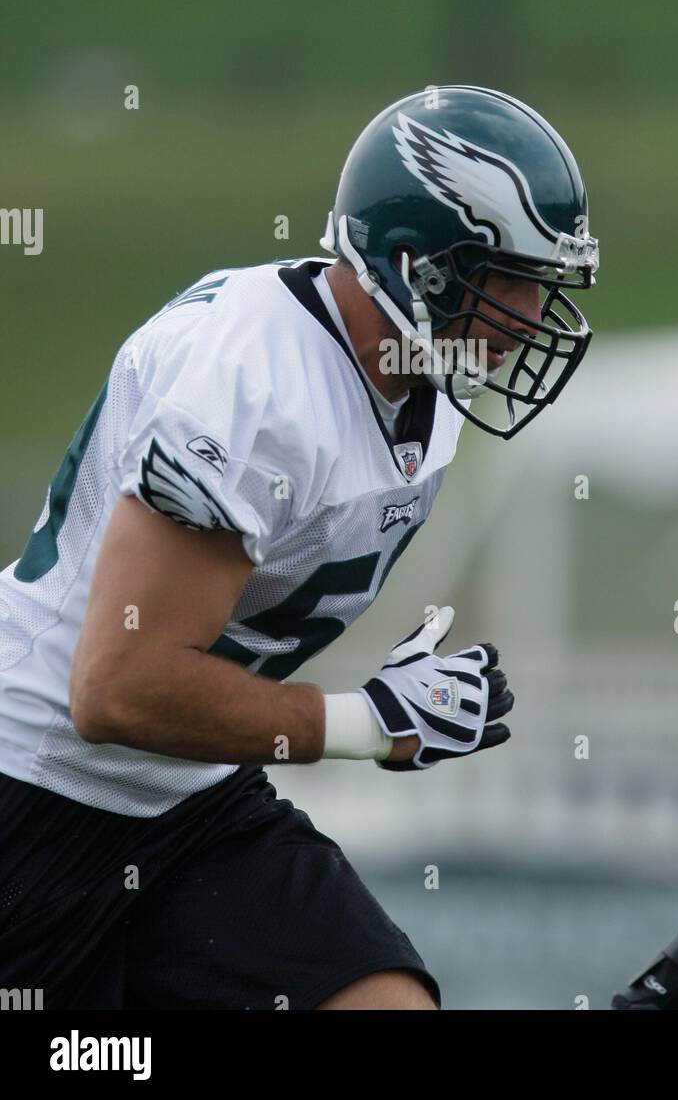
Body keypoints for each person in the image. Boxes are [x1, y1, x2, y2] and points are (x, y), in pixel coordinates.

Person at [0, 85, 598, 1010]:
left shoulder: (417, 369)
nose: (527, 313)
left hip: (192, 800)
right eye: (507, 277)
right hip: (35, 794)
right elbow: (117, 688)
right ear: (416, 266)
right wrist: (372, 723)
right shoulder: (250, 385)